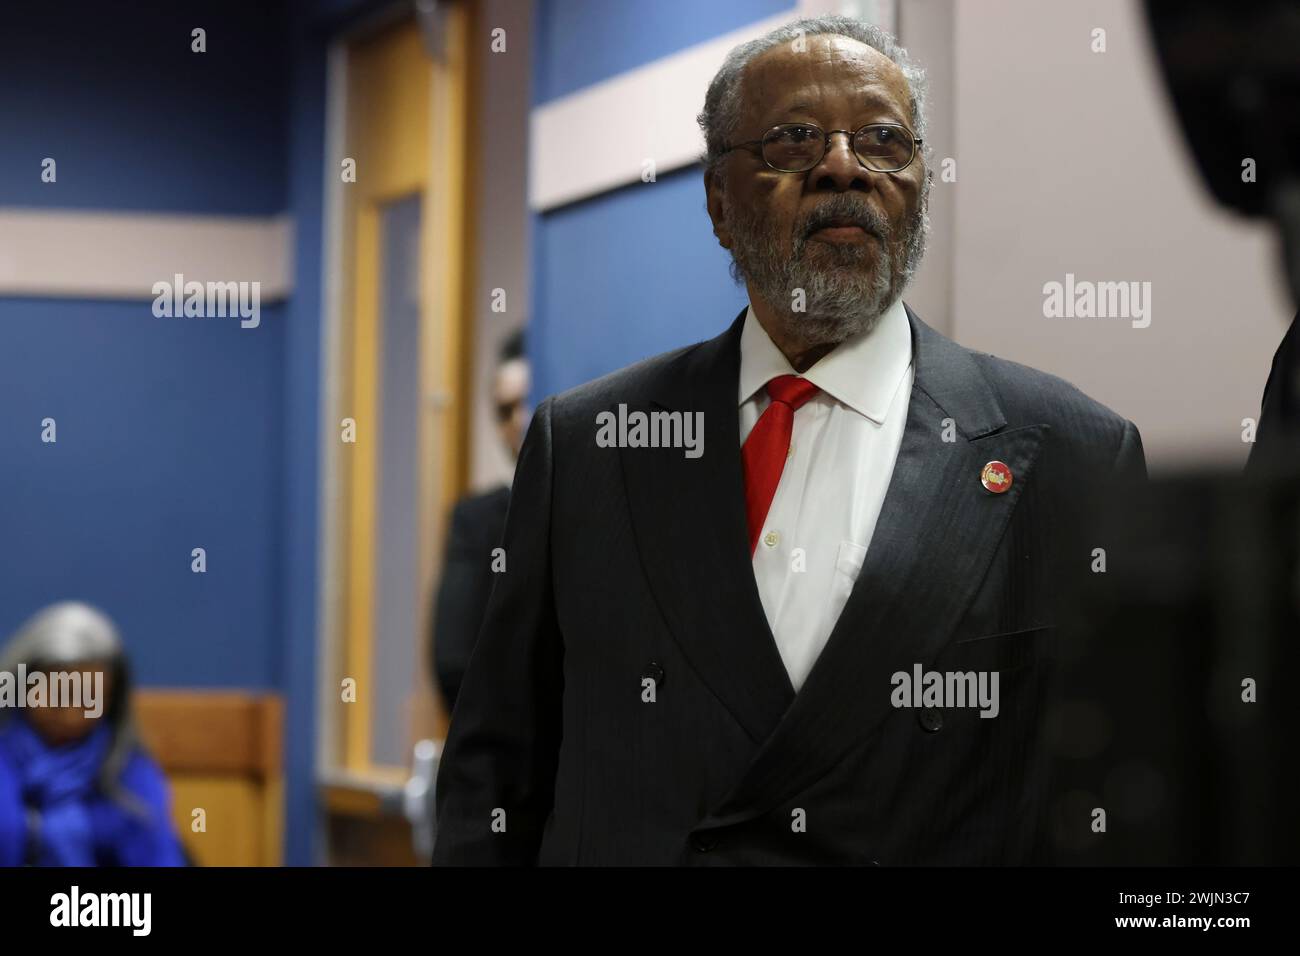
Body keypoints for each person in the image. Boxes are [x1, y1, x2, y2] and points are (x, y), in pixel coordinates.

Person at [433, 15, 1145, 865]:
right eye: (794, 140)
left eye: (884, 139)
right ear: (718, 203)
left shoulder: (1068, 454)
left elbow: (1123, 810)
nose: (844, 165)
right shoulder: (590, 447)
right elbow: (495, 782)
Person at [0, 602, 187, 866]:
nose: (68, 714)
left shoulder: (130, 772)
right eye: (55, 695)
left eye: (88, 698)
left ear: (111, 701)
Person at [431, 328, 530, 714]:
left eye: (527, 400)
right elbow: (453, 664)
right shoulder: (478, 520)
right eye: (506, 409)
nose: (519, 420)